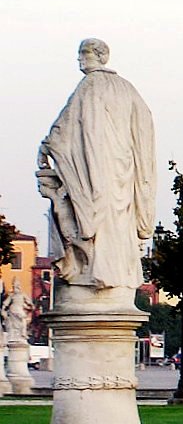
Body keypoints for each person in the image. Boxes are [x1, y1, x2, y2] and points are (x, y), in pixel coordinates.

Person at [37, 38, 156, 290]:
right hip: (123, 167)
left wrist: (46, 147)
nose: (79, 59)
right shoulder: (128, 89)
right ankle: (116, 274)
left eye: (84, 54)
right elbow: (144, 127)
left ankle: (97, 272)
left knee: (97, 219)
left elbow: (62, 130)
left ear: (100, 56)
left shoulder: (89, 86)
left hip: (96, 168)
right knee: (117, 221)